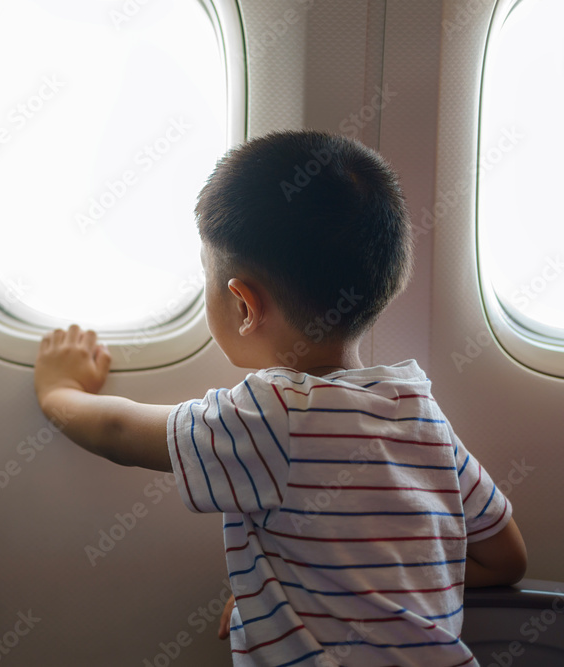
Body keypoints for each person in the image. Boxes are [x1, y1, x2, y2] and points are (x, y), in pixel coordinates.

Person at [32, 130, 527, 666]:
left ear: (243, 305)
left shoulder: (270, 416)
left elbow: (119, 432)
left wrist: (57, 387)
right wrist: (304, 594)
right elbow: (506, 559)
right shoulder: (421, 411)